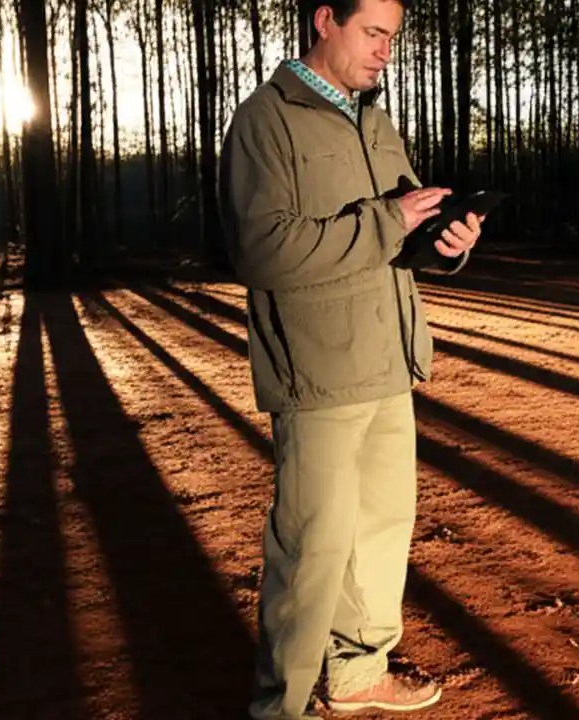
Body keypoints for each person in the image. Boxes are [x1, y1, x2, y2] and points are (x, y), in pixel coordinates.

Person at [219, 0, 482, 716]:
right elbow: (262, 249)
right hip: (319, 372)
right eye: (373, 33)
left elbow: (397, 238)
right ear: (325, 19)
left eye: (392, 38)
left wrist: (442, 245)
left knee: (379, 533)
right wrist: (388, 220)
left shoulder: (375, 121)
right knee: (312, 554)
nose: (384, 51)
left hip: (389, 358)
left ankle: (358, 673)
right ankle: (284, 705)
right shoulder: (264, 120)